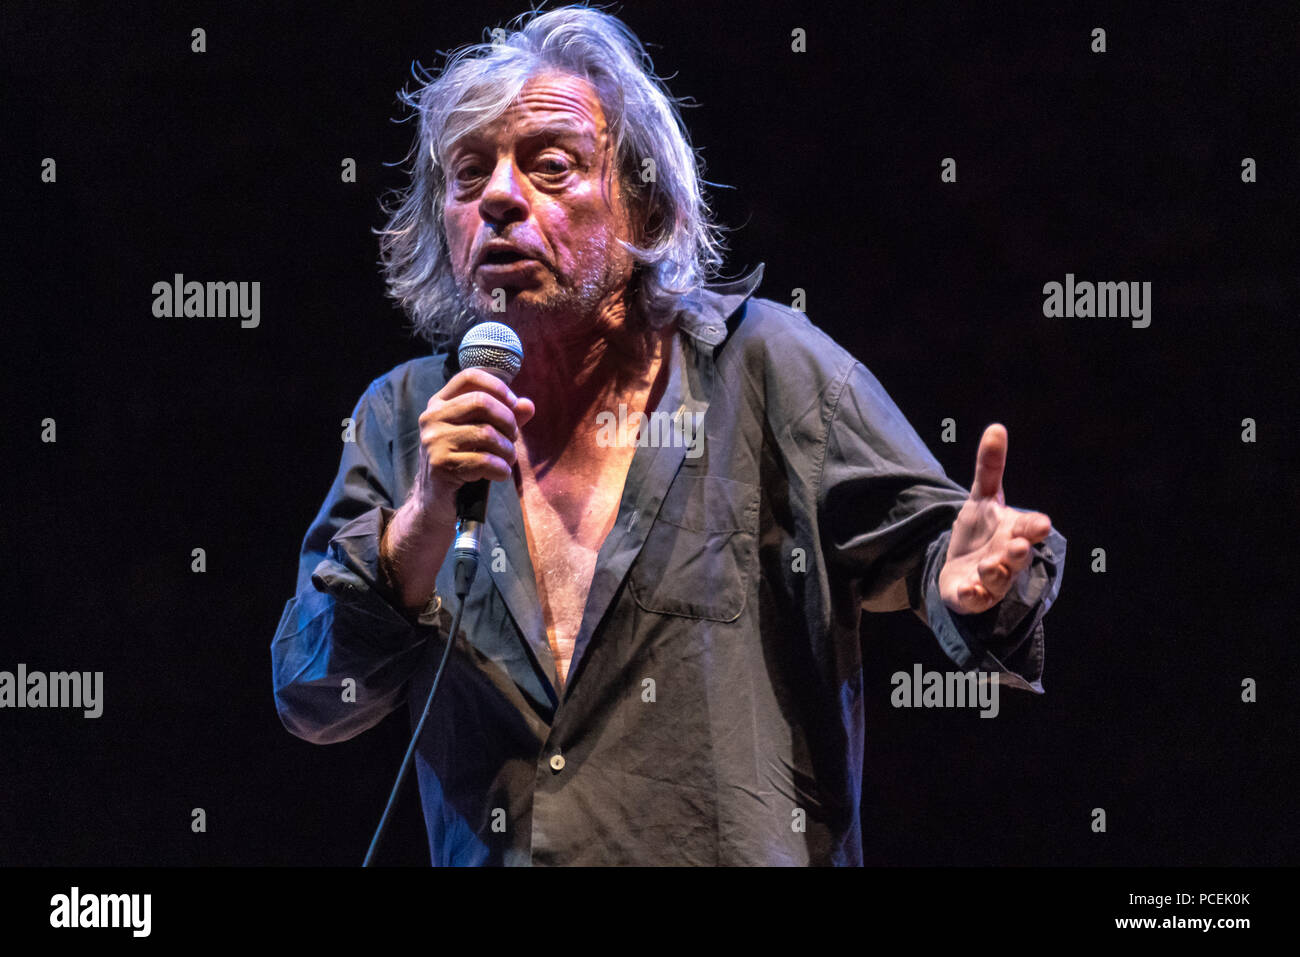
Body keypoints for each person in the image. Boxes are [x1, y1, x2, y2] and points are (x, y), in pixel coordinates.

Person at [271, 5, 1066, 866]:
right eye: (467, 176)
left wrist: (962, 570)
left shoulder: (767, 370)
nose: (499, 196)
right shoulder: (402, 420)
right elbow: (313, 695)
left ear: (643, 210)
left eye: (550, 166)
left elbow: (954, 562)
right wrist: (422, 520)